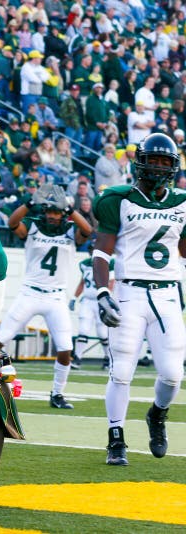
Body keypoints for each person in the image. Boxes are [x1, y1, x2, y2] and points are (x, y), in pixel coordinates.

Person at [92, 133, 186, 466]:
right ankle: (115, 437)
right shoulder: (118, 199)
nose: (159, 167)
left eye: (165, 162)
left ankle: (157, 414)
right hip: (130, 292)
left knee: (173, 374)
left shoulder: (183, 202)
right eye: (154, 160)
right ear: (140, 162)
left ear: (173, 166)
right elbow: (102, 254)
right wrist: (103, 292)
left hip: (167, 295)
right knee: (121, 371)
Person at [0, 184, 93, 409]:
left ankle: (57, 393)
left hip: (56, 298)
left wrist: (70, 209)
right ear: (43, 211)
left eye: (56, 212)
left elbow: (89, 230)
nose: (53, 216)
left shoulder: (71, 231)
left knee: (65, 348)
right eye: (50, 211)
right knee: (1, 338)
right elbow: (13, 223)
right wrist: (30, 203)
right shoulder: (32, 227)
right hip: (30, 293)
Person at [70, 245, 114, 370]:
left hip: (100, 301)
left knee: (102, 333)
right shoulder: (84, 264)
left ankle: (108, 358)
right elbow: (83, 282)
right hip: (87, 301)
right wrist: (74, 297)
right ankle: (77, 358)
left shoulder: (108, 263)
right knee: (83, 330)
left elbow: (111, 282)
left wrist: (107, 298)